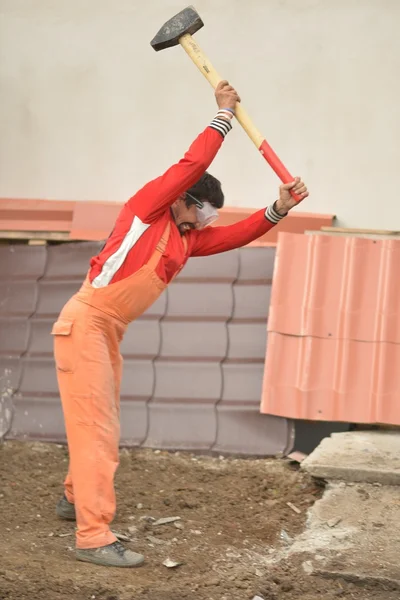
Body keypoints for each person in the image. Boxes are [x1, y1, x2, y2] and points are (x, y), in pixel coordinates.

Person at [52, 81, 309, 568]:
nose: (203, 224)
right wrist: (223, 117)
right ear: (181, 199)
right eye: (199, 212)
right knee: (97, 430)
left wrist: (279, 208)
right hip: (86, 323)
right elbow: (192, 166)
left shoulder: (185, 237)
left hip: (107, 332)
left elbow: (235, 235)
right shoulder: (149, 207)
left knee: (98, 423)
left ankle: (73, 499)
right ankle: (92, 536)